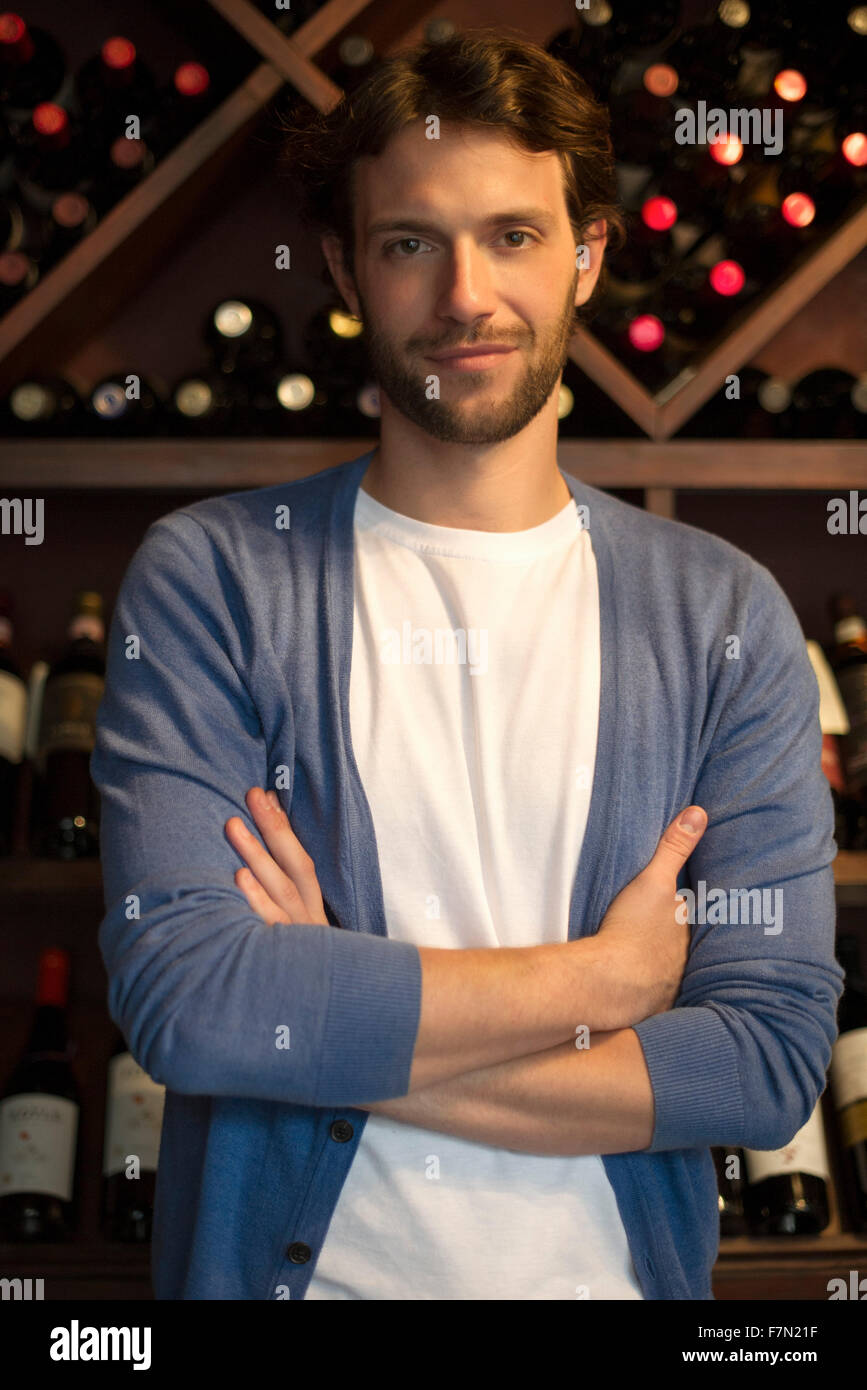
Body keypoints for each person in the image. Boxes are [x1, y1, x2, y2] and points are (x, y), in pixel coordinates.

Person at [91, 29, 843, 1300]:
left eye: (513, 235)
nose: (464, 297)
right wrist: (601, 982)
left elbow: (761, 1063)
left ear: (589, 255)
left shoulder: (725, 613)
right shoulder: (216, 578)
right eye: (409, 243)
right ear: (343, 266)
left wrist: (326, 998)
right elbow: (191, 999)